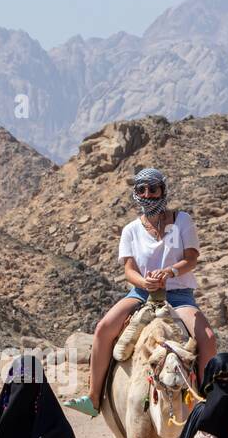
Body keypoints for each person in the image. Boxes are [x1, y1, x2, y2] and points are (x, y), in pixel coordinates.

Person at [64, 168, 217, 417]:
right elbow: (129, 269)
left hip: (178, 294)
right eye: (141, 190)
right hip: (141, 294)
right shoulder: (131, 230)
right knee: (104, 328)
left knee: (207, 337)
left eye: (153, 188)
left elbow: (191, 259)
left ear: (163, 190)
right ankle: (93, 397)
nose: (148, 194)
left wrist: (169, 273)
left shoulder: (182, 221)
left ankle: (209, 400)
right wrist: (145, 283)